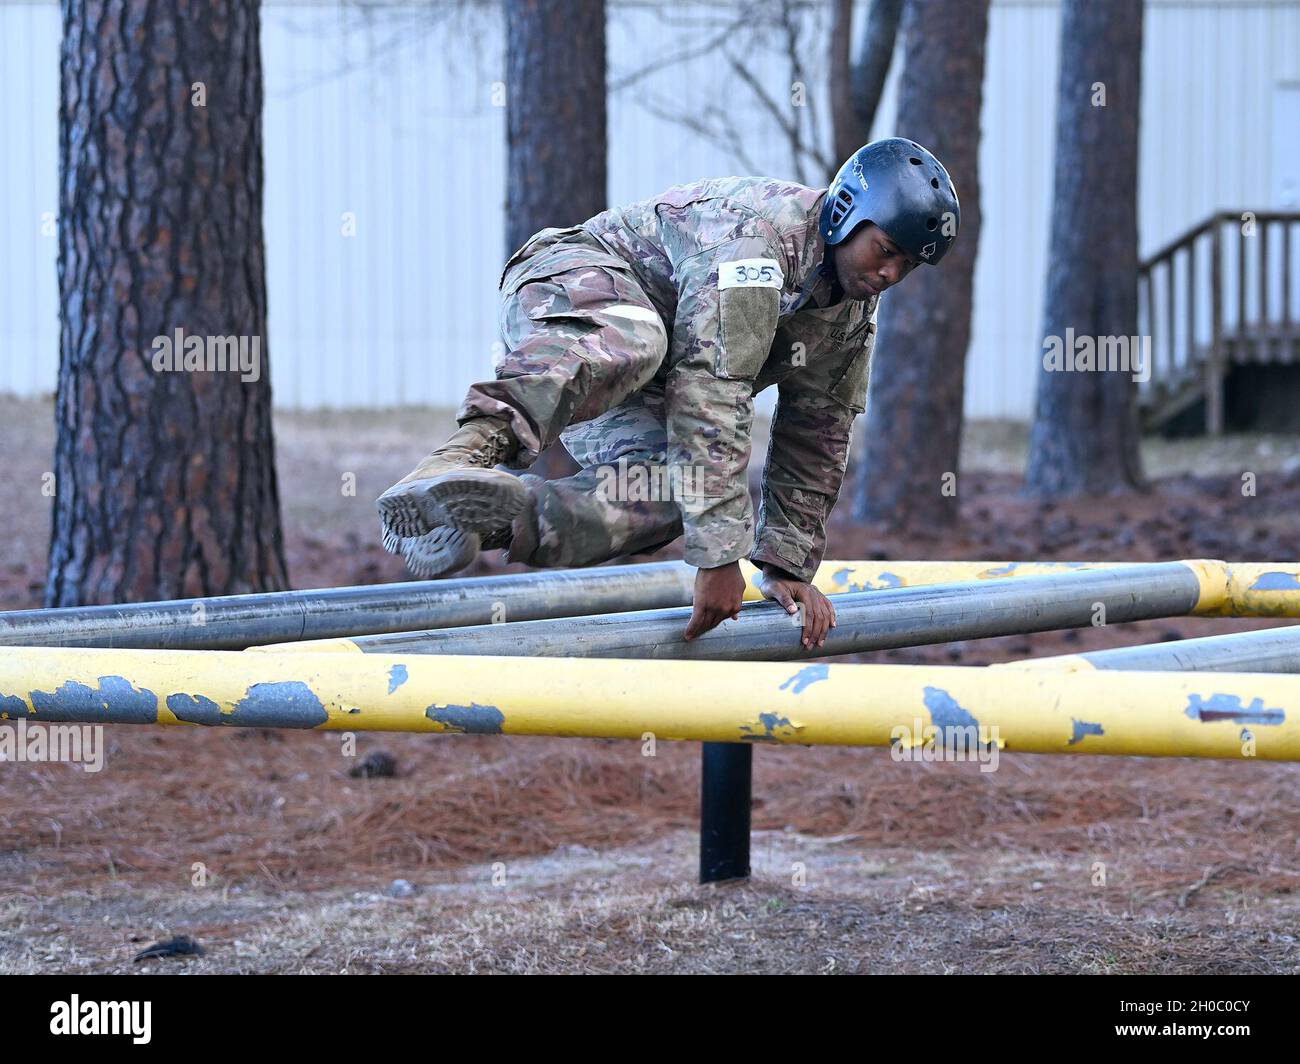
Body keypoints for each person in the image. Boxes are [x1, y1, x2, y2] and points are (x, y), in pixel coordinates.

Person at [377, 137, 960, 647]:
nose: (889, 274)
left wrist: (786, 566)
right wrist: (719, 556)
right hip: (574, 287)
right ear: (846, 214)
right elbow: (711, 392)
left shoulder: (851, 314)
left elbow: (819, 435)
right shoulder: (759, 240)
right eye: (886, 250)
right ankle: (459, 458)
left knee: (670, 491)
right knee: (637, 337)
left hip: (652, 369)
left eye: (906, 266)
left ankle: (484, 518)